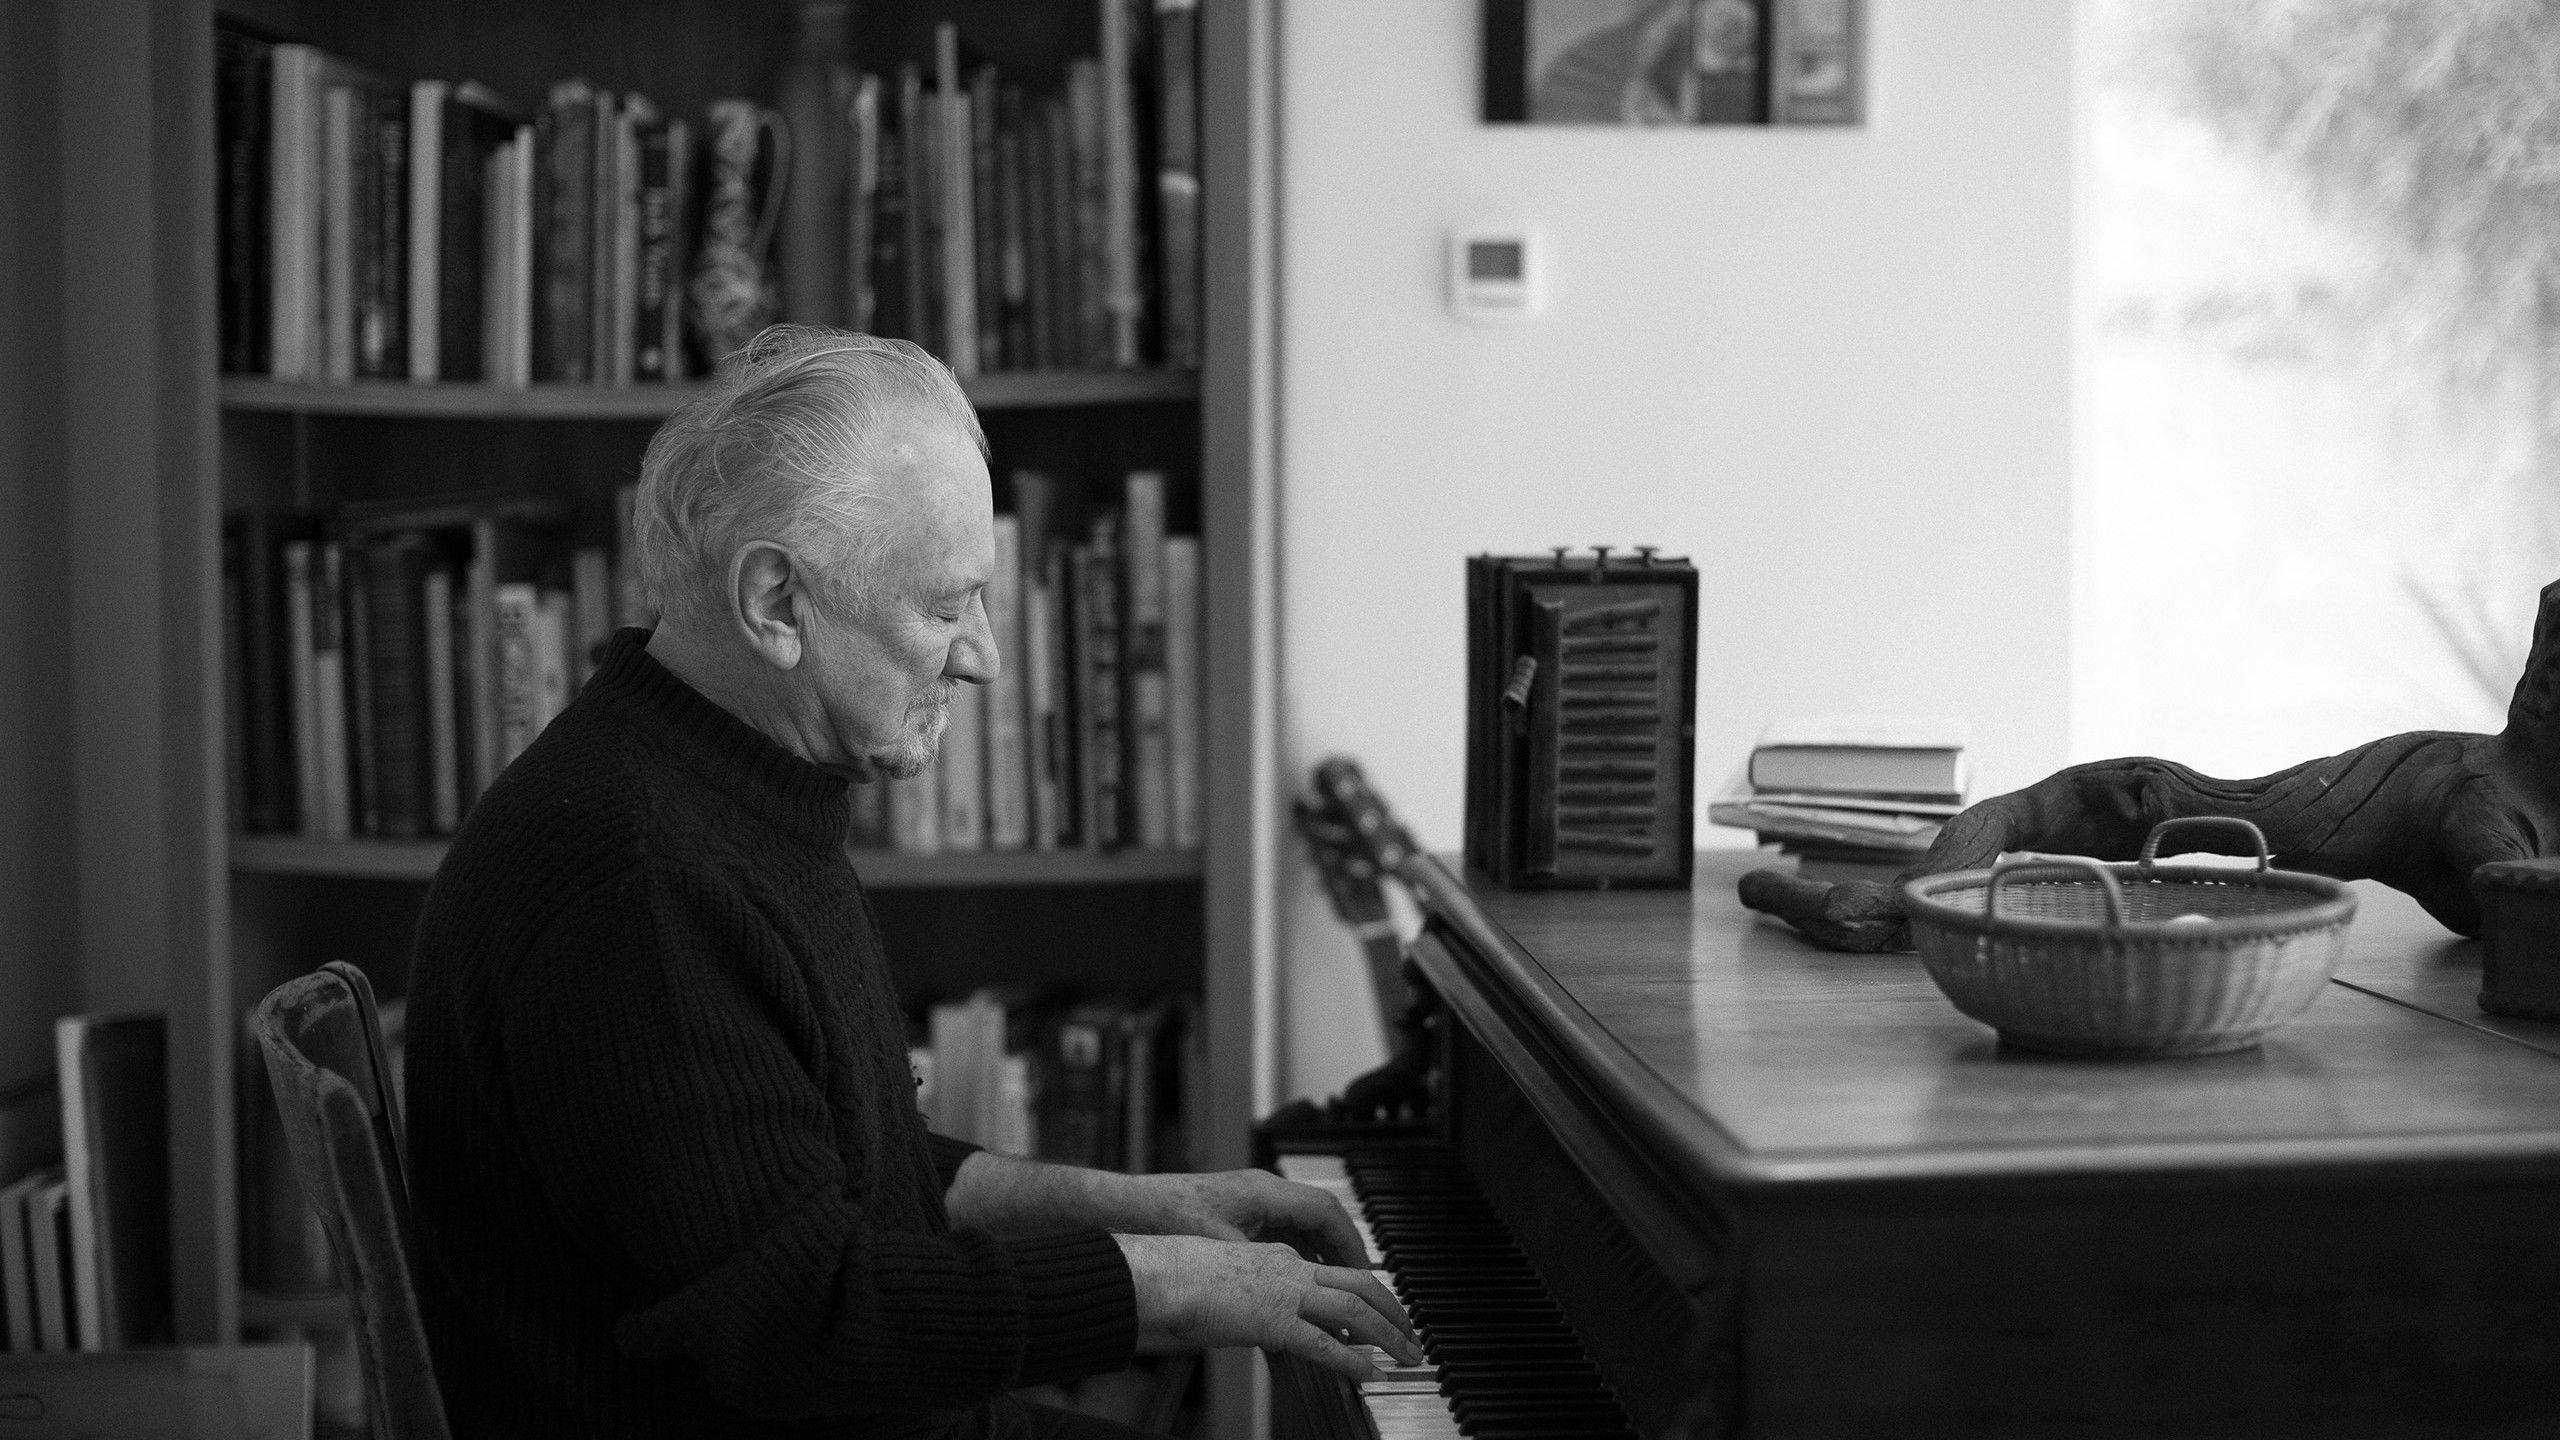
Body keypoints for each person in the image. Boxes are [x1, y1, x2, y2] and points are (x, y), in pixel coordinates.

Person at [404, 326, 1421, 1439]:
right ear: (777, 604)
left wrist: (1150, 1207)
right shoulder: (639, 887)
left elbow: (826, 1166)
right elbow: (807, 1325)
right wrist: (1182, 1286)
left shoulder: (712, 791)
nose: (983, 657)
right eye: (944, 607)